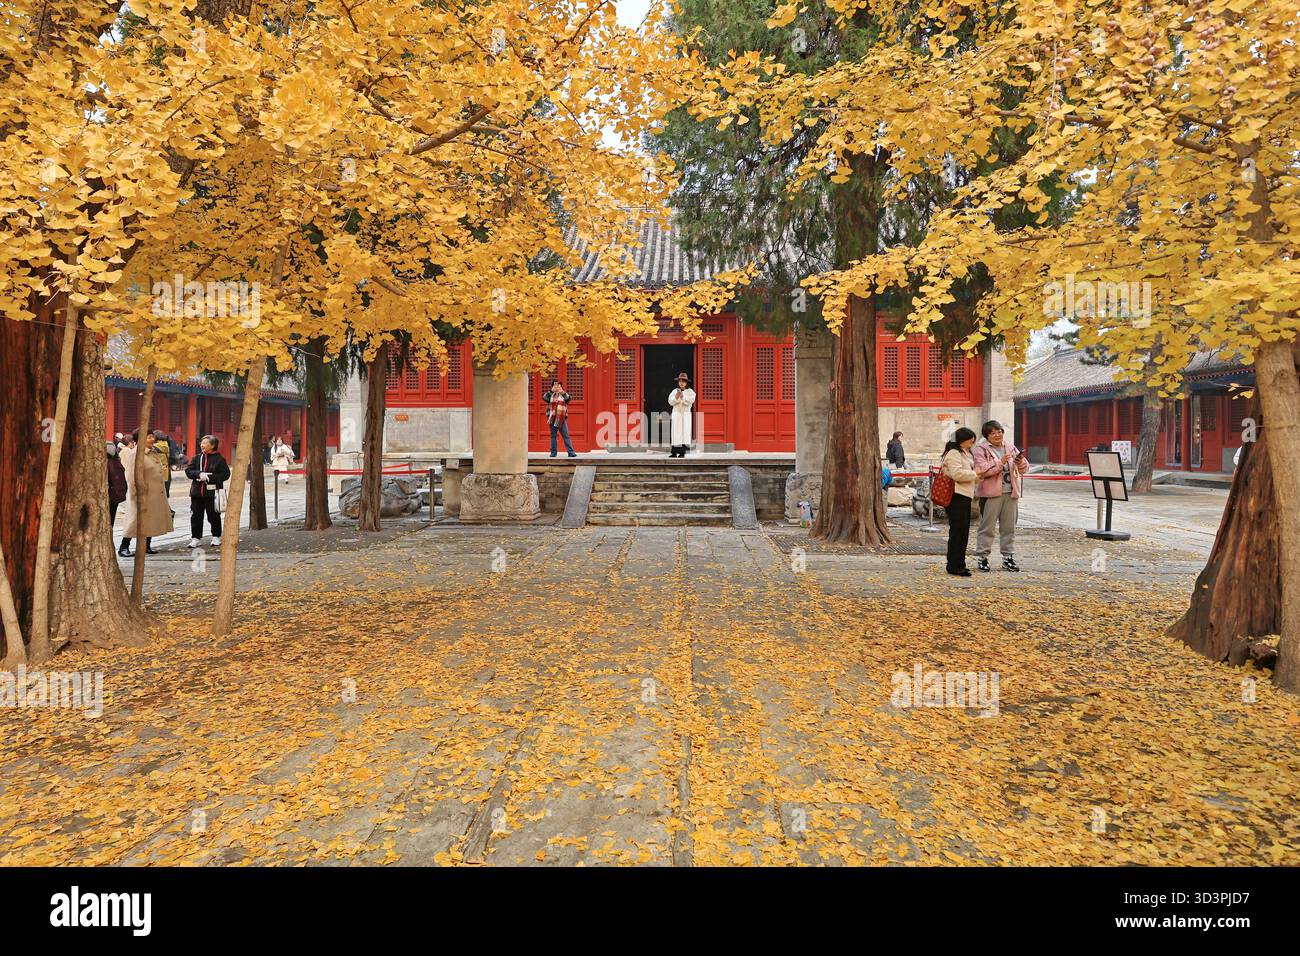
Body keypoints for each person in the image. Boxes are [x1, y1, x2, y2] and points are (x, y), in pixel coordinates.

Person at [972, 420, 1028, 572]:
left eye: (999, 431)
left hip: (1010, 492)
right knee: (987, 527)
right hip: (990, 494)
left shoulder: (1010, 447)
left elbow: (1024, 468)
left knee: (1009, 527)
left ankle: (1007, 557)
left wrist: (1020, 461)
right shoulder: (980, 449)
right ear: (987, 436)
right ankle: (982, 557)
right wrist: (1000, 462)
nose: (997, 435)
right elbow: (981, 470)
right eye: (992, 433)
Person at [122, 428, 174, 555]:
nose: (152, 439)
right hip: (142, 494)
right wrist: (136, 495)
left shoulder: (152, 452)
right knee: (134, 521)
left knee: (150, 520)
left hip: (154, 494)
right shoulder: (135, 454)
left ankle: (146, 545)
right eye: (149, 437)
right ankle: (124, 546)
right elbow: (130, 477)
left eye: (152, 436)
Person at [940, 426, 979, 577]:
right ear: (962, 441)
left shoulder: (965, 453)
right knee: (957, 532)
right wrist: (975, 474)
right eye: (970, 442)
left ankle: (959, 563)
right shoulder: (954, 453)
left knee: (963, 532)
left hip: (964, 495)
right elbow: (957, 474)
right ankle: (954, 565)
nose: (972, 444)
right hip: (956, 496)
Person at [185, 434, 230, 547]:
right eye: (202, 443)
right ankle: (196, 538)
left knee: (213, 516)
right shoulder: (197, 458)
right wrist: (199, 474)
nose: (202, 445)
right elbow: (188, 471)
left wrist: (211, 477)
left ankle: (216, 536)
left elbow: (226, 474)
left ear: (213, 445)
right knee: (196, 516)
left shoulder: (220, 459)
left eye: (205, 443)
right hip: (196, 492)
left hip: (212, 493)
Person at [544, 380, 577, 458]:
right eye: (555, 386)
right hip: (552, 417)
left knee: (566, 435)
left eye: (559, 386)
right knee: (553, 436)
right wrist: (551, 391)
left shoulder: (563, 395)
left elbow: (568, 399)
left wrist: (562, 392)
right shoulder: (550, 395)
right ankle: (553, 453)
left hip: (561, 418)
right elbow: (545, 398)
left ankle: (571, 452)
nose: (557, 387)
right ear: (552, 386)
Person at [668, 372, 695, 458]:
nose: (681, 383)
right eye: (680, 381)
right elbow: (670, 402)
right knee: (675, 432)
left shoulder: (691, 392)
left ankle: (682, 452)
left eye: (683, 381)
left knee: (684, 432)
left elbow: (690, 402)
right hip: (676, 414)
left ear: (686, 383)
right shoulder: (674, 391)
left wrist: (683, 396)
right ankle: (674, 452)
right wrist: (676, 397)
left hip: (685, 415)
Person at [106, 441, 127, 531]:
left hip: (109, 494)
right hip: (116, 495)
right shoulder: (117, 461)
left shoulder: (104, 462)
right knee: (111, 518)